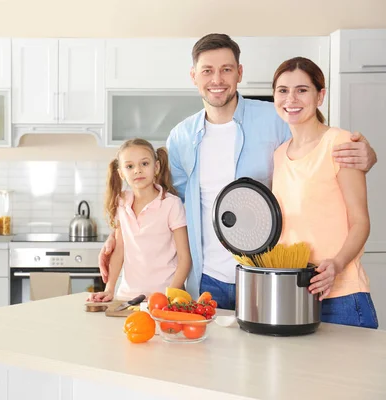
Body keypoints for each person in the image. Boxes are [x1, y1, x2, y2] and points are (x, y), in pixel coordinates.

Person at [99, 33, 378, 310]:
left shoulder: (276, 118)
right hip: (207, 278)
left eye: (226, 70)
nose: (217, 80)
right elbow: (168, 203)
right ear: (194, 76)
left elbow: (316, 144)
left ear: (239, 73)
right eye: (207, 71)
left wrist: (367, 154)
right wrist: (120, 234)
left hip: (266, 273)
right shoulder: (180, 137)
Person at [271, 57, 378, 328]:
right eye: (283, 90)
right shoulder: (280, 155)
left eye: (302, 90)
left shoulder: (340, 143)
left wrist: (337, 265)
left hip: (341, 296)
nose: (291, 98)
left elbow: (360, 222)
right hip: (295, 292)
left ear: (320, 96)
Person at [87, 138, 191, 302]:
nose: (137, 170)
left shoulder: (171, 204)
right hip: (127, 298)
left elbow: (185, 259)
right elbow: (119, 249)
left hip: (164, 298)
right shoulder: (121, 202)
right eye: (129, 166)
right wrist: (109, 289)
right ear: (121, 173)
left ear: (156, 167)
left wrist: (168, 297)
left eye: (144, 164)